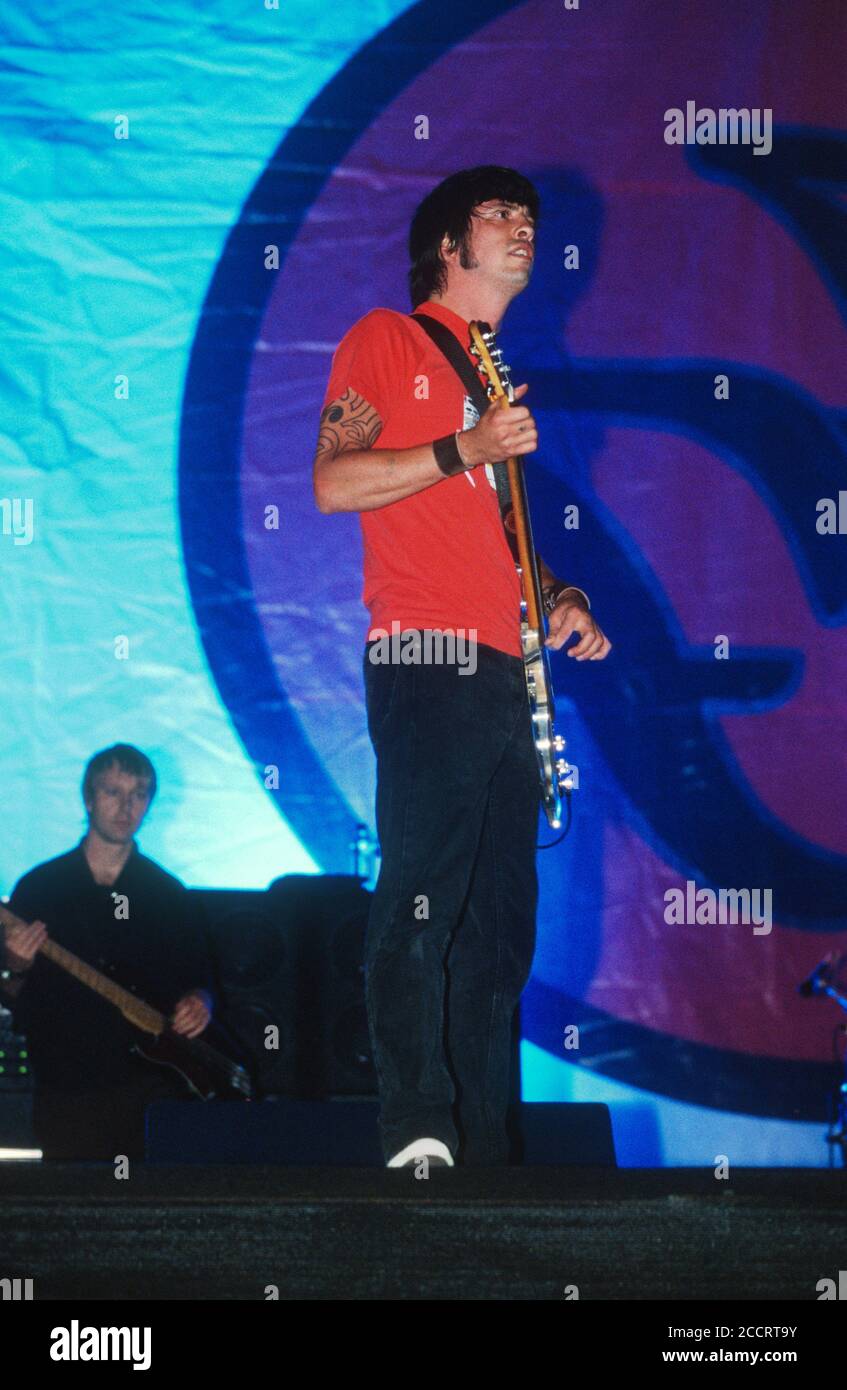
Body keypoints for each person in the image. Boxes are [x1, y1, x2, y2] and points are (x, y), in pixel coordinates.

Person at [314, 166, 612, 1168]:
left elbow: (491, 531)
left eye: (530, 217)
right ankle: (416, 1128)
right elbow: (333, 480)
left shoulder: (493, 374)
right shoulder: (386, 338)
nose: (523, 228)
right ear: (448, 243)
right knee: (423, 896)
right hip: (425, 651)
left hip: (502, 665)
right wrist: (463, 443)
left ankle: (486, 1151)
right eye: (499, 214)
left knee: (498, 930)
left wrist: (556, 594)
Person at [0, 744, 214, 1160]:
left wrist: (200, 1002)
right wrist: (17, 966)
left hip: (150, 1085)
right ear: (88, 798)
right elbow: (9, 991)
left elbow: (201, 976)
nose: (125, 806)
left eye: (138, 794)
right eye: (112, 792)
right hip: (67, 1082)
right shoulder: (40, 887)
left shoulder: (168, 895)